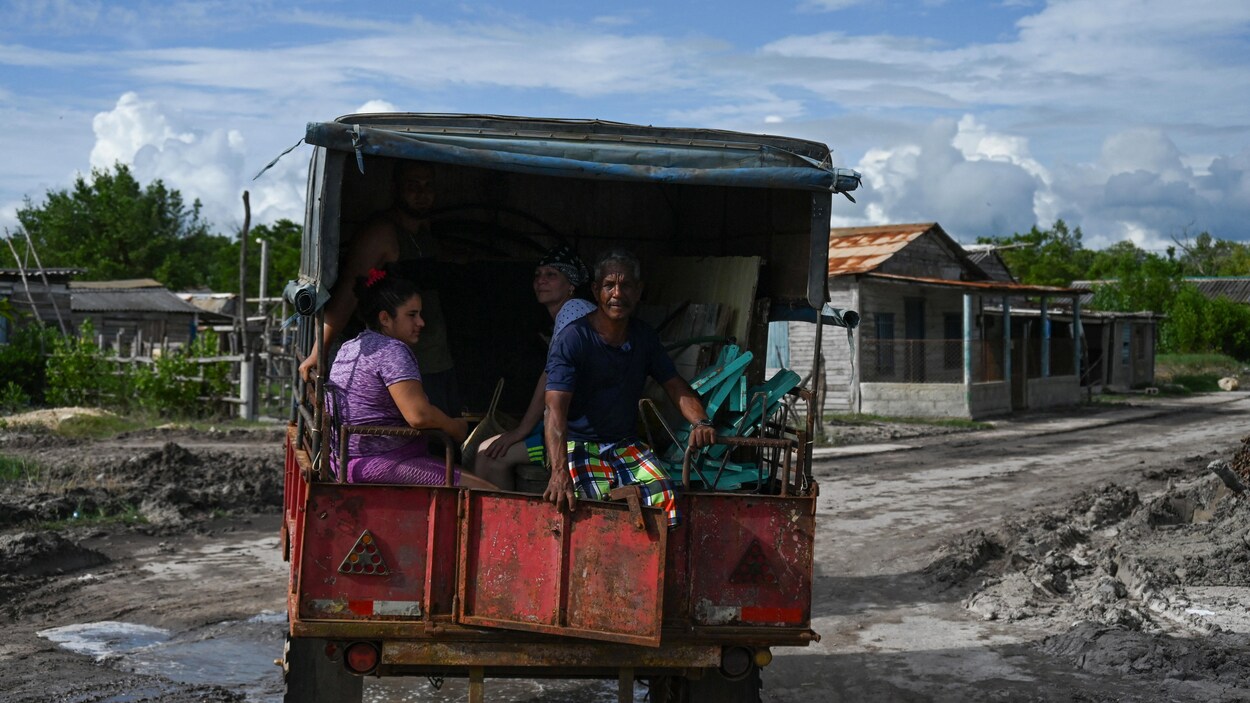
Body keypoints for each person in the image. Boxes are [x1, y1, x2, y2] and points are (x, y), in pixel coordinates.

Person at [542, 249, 716, 527]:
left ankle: (658, 556)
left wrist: (701, 422)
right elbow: (555, 409)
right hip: (579, 442)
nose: (617, 294)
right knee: (592, 507)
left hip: (625, 444)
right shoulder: (574, 338)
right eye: (609, 285)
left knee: (665, 494)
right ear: (596, 290)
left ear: (638, 291)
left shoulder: (644, 338)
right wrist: (559, 470)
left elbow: (674, 385)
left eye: (626, 286)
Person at [299, 159, 461, 417]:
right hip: (401, 364)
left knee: (445, 431)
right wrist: (319, 352)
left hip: (437, 356)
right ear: (396, 188)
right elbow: (349, 293)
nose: (422, 193)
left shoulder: (424, 231)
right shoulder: (382, 233)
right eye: (413, 186)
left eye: (428, 186)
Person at [326, 265, 494, 489]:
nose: (421, 322)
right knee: (489, 492)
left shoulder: (350, 346)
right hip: (382, 463)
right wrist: (455, 427)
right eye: (412, 315)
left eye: (420, 314)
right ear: (385, 318)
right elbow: (419, 416)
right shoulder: (392, 351)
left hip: (347, 460)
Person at [475, 245, 597, 489]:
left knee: (488, 455)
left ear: (571, 285)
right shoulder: (575, 312)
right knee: (488, 452)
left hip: (580, 432)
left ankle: (502, 515)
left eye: (551, 275)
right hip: (573, 422)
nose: (541, 281)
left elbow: (551, 377)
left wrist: (522, 430)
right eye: (538, 275)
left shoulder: (573, 310)